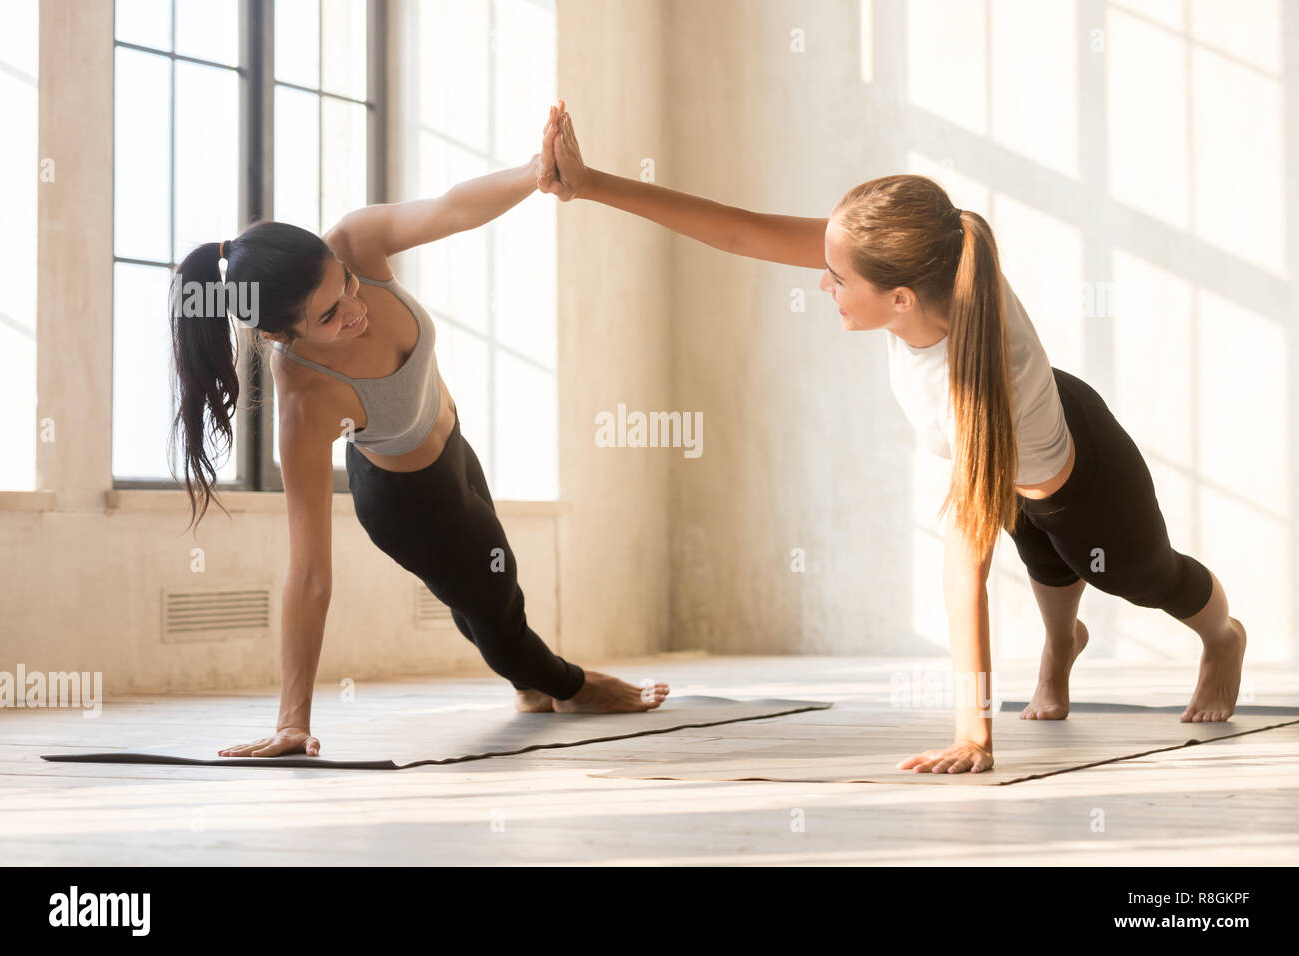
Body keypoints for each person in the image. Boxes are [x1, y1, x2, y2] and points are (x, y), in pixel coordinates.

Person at [535, 101, 1246, 774]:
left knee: (1129, 572)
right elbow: (742, 229)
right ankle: (1063, 645)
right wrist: (592, 184)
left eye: (838, 278)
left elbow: (962, 572)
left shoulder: (971, 392)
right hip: (1033, 444)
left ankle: (1222, 637)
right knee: (1045, 555)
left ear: (900, 299)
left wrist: (974, 731)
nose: (823, 284)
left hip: (1085, 476)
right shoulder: (936, 262)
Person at [168, 134, 669, 760]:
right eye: (328, 317)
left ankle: (530, 688)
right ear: (277, 332)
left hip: (452, 444)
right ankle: (571, 685)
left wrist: (533, 173)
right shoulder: (304, 397)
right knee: (494, 600)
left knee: (485, 584)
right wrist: (292, 720)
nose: (356, 309)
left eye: (347, 285)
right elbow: (309, 571)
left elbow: (452, 209)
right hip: (408, 501)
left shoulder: (354, 240)